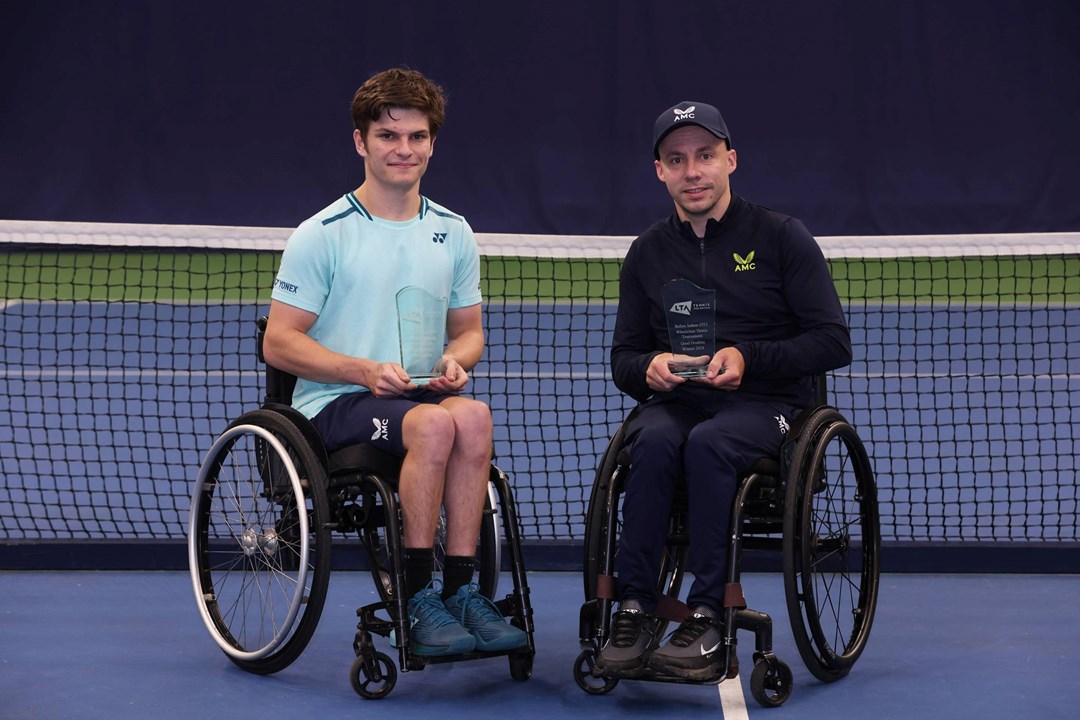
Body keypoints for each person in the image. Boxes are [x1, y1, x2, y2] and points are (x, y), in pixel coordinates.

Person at [263, 68, 526, 658]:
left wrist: (455, 361)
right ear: (361, 142)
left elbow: (469, 333)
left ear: (433, 143)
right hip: (333, 405)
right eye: (388, 136)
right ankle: (416, 593)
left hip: (416, 397)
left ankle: (461, 591)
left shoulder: (453, 232)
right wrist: (362, 371)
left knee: (474, 416)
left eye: (417, 137)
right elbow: (279, 342)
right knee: (432, 425)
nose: (403, 149)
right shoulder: (321, 234)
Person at [594, 101, 852, 680]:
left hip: (771, 406)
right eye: (676, 160)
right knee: (651, 441)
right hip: (680, 403)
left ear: (730, 160)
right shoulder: (647, 252)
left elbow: (833, 342)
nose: (693, 172)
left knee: (711, 443)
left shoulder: (782, 237)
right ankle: (634, 607)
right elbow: (623, 360)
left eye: (705, 156)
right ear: (659, 171)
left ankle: (709, 613)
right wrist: (650, 366)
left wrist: (748, 357)